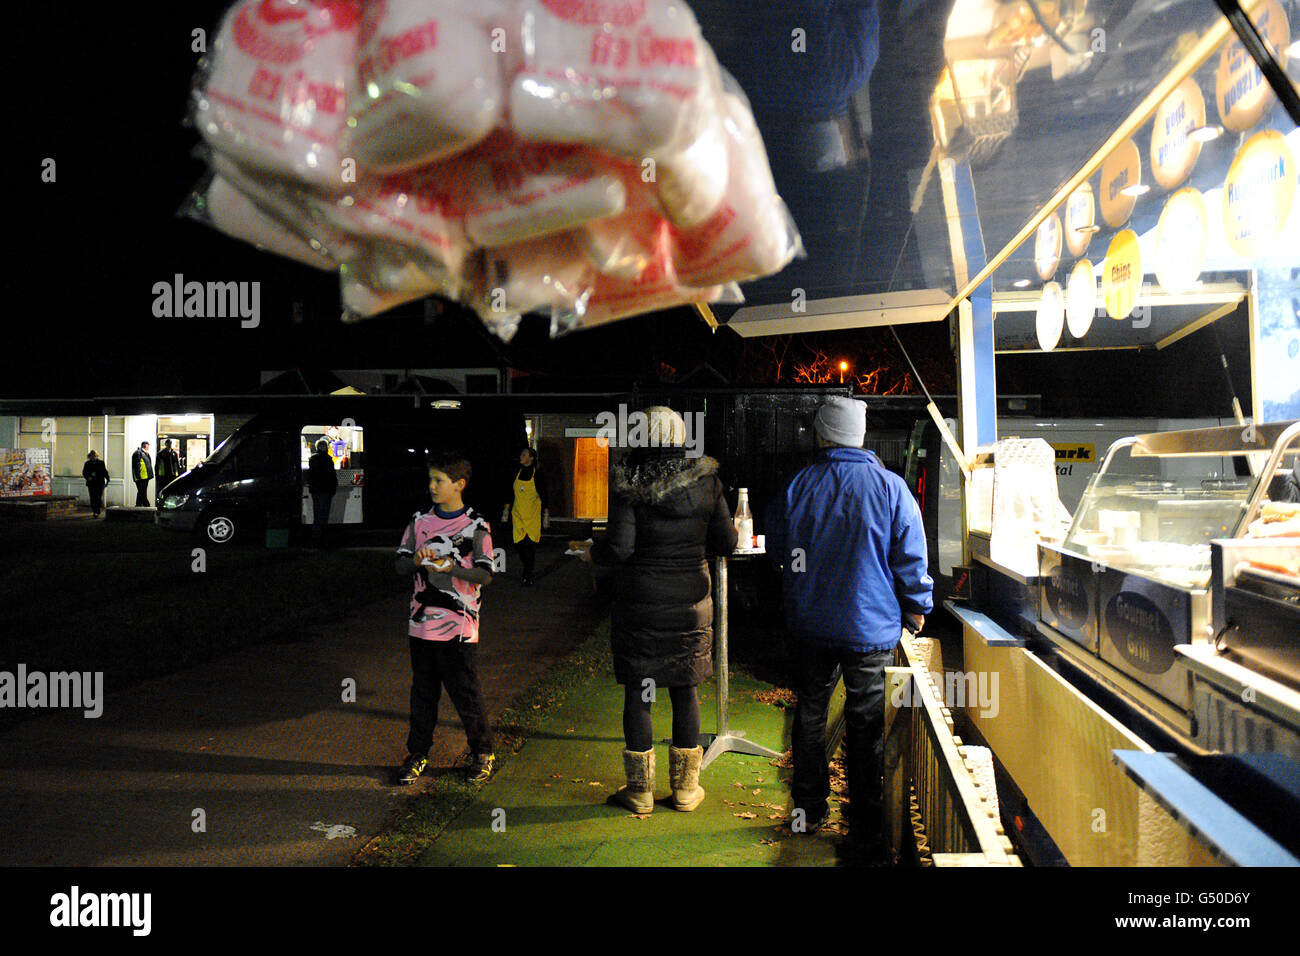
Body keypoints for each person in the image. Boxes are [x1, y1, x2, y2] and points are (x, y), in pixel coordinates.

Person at [765, 396, 932, 844]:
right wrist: (916, 605)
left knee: (811, 713)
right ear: (860, 437)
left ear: (823, 435)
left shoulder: (797, 485)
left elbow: (778, 549)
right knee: (865, 724)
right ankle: (865, 823)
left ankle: (808, 809)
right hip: (870, 627)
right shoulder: (892, 488)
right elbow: (911, 559)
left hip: (810, 626)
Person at [591, 407, 738, 814]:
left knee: (640, 691)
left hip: (640, 604)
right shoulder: (708, 480)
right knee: (684, 687)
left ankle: (639, 793)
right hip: (691, 603)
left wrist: (593, 549)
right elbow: (727, 541)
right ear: (680, 437)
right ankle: (687, 790)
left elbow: (619, 549)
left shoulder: (628, 482)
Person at [392, 453, 498, 786]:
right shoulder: (419, 521)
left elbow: (486, 575)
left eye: (439, 480)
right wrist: (416, 561)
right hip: (421, 626)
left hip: (460, 631)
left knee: (465, 694)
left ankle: (482, 753)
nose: (432, 486)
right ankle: (417, 754)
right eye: (431, 480)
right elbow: (399, 565)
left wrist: (452, 569)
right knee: (422, 694)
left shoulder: (476, 526)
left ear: (459, 485)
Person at [502, 447, 549, 585]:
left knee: (529, 546)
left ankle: (527, 575)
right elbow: (510, 494)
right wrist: (506, 511)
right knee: (519, 546)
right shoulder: (516, 473)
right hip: (518, 516)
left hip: (532, 516)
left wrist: (546, 514)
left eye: (524, 454)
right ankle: (527, 569)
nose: (521, 456)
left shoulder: (538, 475)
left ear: (531, 458)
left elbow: (544, 496)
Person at [306, 439, 338, 546]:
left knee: (317, 514)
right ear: (326, 448)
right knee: (324, 514)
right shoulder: (329, 460)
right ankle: (324, 539)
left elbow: (310, 475)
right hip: (326, 490)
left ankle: (316, 539)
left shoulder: (312, 459)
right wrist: (333, 489)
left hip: (316, 490)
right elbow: (333, 477)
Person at [82, 451, 110, 518]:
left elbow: (104, 471)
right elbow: (84, 472)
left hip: (99, 483)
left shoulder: (101, 463)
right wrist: (88, 477)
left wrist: (108, 478)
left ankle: (97, 510)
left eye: (94, 456)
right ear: (90, 456)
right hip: (91, 483)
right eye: (92, 456)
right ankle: (95, 511)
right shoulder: (87, 463)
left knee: (98, 497)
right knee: (92, 497)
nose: (93, 457)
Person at [131, 441, 154, 507]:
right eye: (148, 445)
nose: (148, 447)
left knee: (141, 492)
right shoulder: (138, 453)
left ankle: (138, 505)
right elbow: (137, 465)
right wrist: (138, 476)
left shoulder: (145, 453)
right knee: (142, 492)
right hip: (141, 477)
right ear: (145, 445)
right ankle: (147, 505)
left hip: (145, 476)